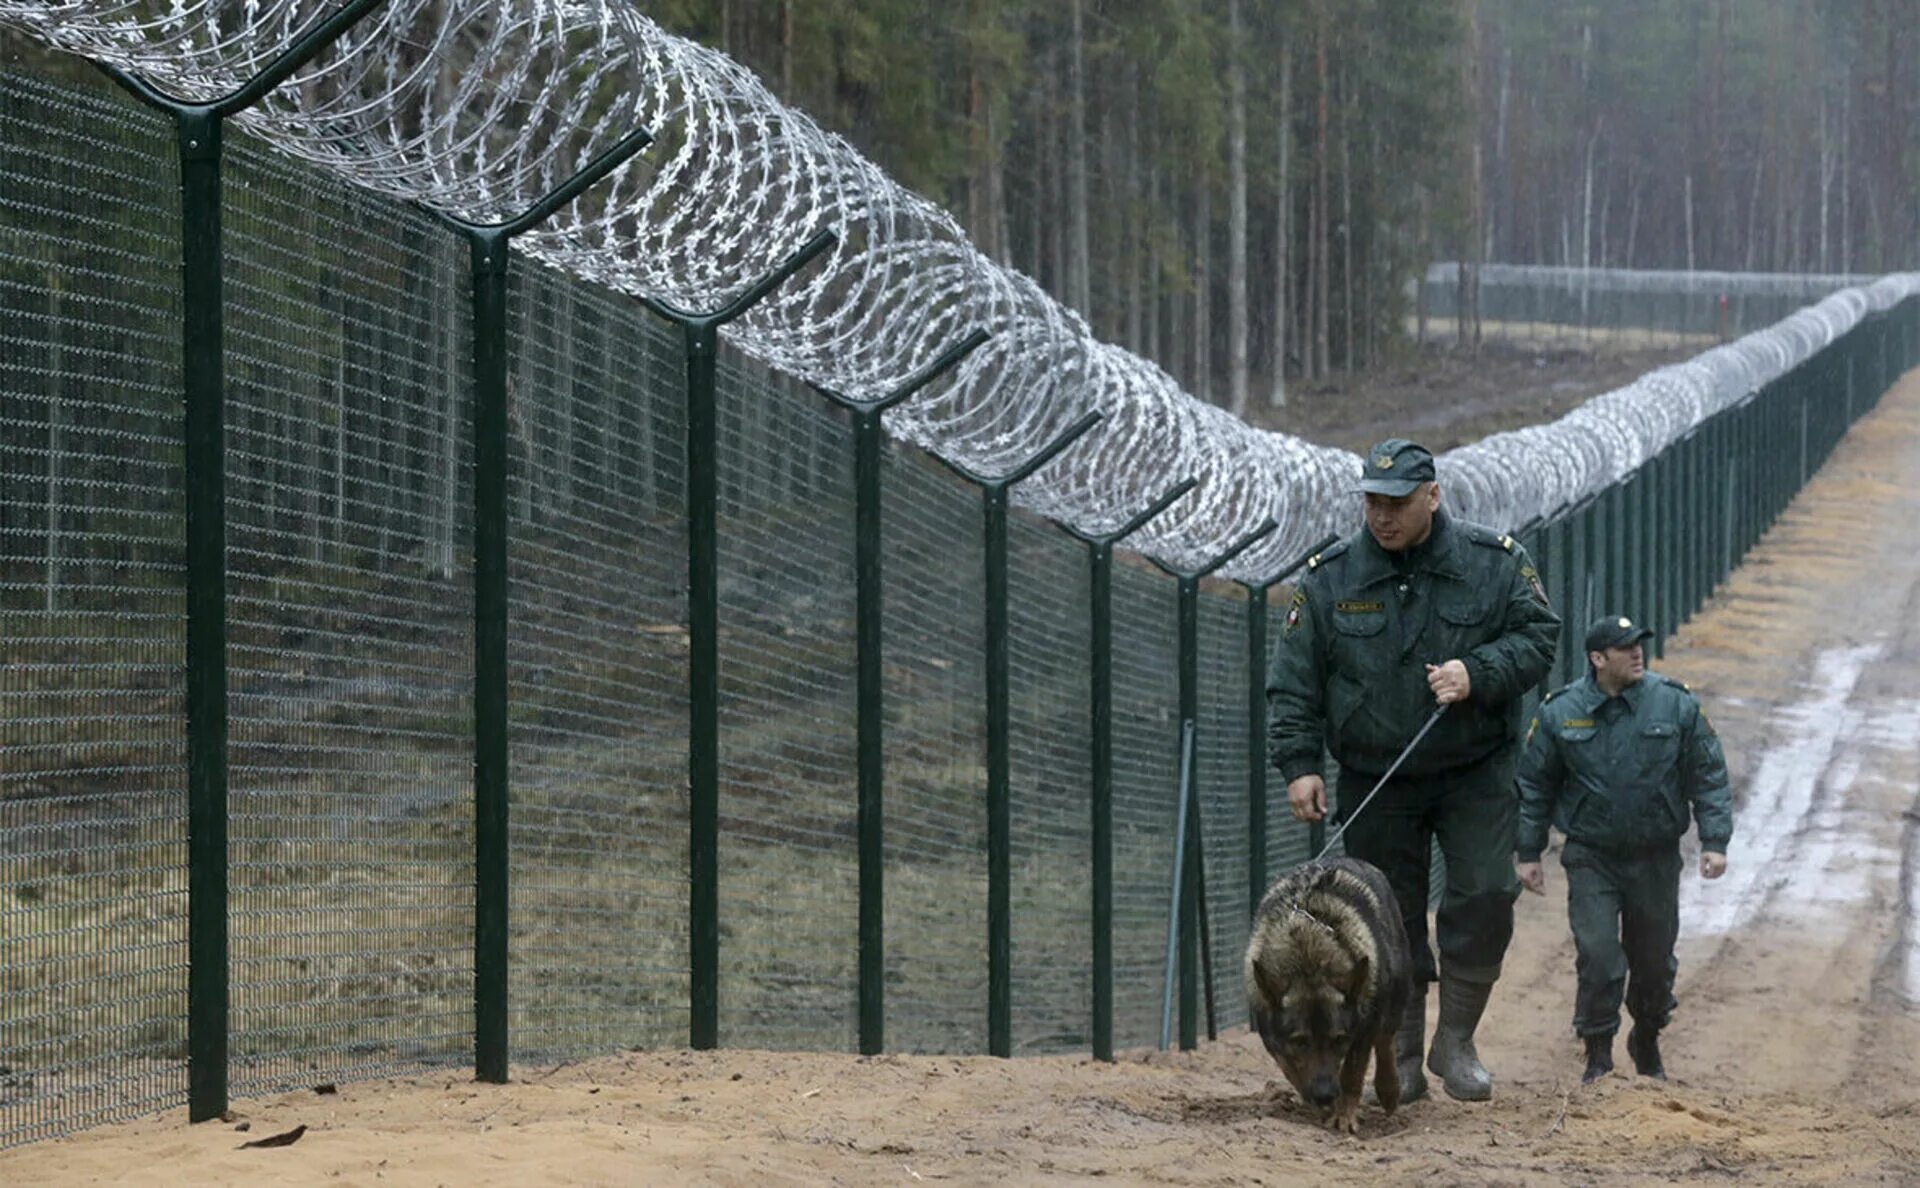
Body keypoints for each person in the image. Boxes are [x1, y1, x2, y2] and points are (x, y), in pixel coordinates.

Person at [1268, 438, 1561, 1103]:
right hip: (1376, 777)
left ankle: (1456, 1039)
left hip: (1474, 768)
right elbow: (1293, 682)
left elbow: (1539, 638)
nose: (1383, 516)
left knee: (1486, 892)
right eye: (1373, 501)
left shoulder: (1494, 565)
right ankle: (1396, 1051)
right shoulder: (1330, 578)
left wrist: (1476, 672)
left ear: (1432, 496)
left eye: (1398, 502)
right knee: (1383, 921)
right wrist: (1299, 764)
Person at [1515, 614, 1732, 1084]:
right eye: (1624, 647)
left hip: (1654, 856)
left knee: (1653, 961)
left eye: (1639, 645)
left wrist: (1715, 841)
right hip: (1592, 856)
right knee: (1598, 955)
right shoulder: (1560, 712)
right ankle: (1598, 1053)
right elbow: (1535, 786)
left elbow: (1708, 773)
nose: (1637, 653)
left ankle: (1647, 1036)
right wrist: (1528, 852)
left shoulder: (1672, 705)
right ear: (1597, 659)